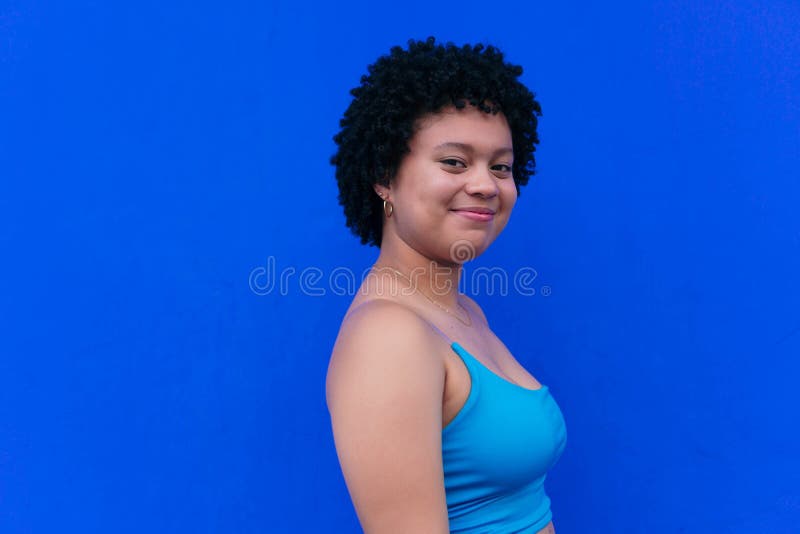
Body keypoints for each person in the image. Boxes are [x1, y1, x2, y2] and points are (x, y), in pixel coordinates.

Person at [325, 36, 567, 534]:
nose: (485, 184)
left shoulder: (461, 312)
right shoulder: (388, 338)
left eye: (501, 166)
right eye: (455, 162)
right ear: (383, 176)